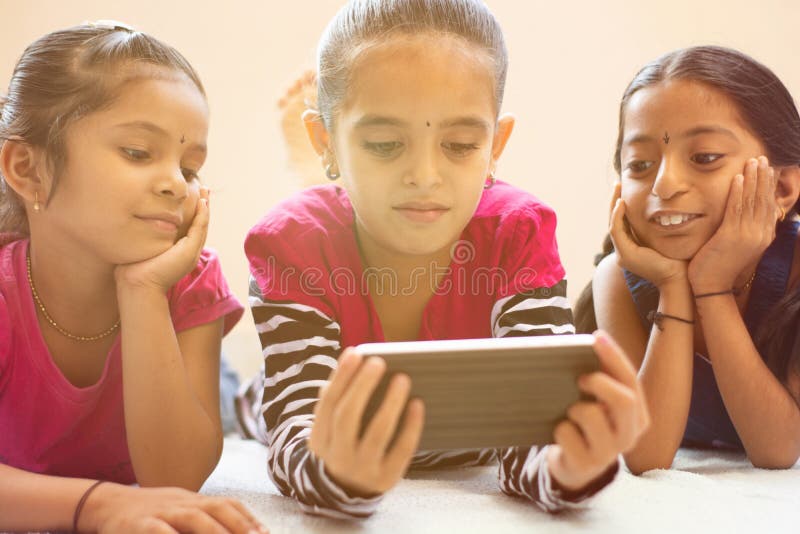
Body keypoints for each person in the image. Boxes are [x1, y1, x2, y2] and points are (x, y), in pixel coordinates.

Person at [237, 0, 649, 519]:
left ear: (496, 145)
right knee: (258, 393)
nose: (426, 175)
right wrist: (341, 476)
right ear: (327, 137)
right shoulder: (289, 243)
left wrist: (567, 466)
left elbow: (535, 434)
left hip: (463, 429)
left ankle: (345, 180)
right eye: (386, 144)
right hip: (287, 387)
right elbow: (295, 430)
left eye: (459, 145)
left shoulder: (517, 230)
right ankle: (322, 184)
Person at [0, 21, 267, 533]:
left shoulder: (191, 278)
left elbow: (175, 477)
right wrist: (99, 505)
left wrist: (143, 290)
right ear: (28, 169)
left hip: (173, 351)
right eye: (139, 153)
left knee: (234, 410)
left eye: (190, 170)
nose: (174, 183)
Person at [588, 45, 800, 474]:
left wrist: (713, 288)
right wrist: (672, 286)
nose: (664, 185)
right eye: (640, 164)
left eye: (705, 158)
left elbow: (777, 450)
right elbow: (645, 456)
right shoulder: (619, 279)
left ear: (782, 188)